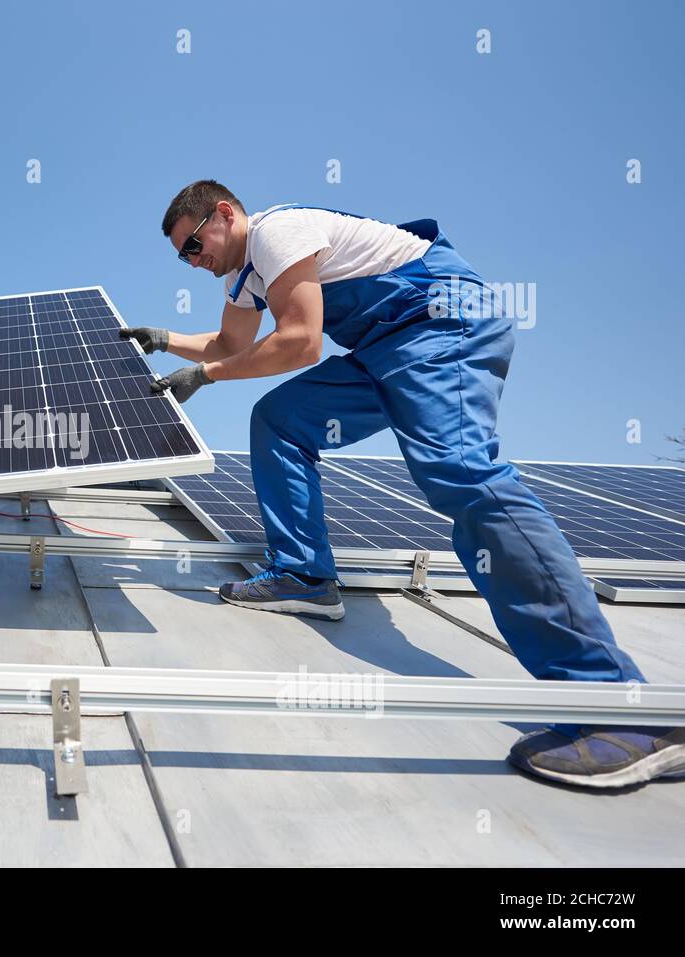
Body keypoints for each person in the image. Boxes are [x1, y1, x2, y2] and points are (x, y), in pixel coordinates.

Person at [122, 179, 684, 788]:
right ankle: (305, 576)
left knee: (460, 474)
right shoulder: (246, 278)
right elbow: (234, 343)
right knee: (281, 419)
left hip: (441, 322)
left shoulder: (277, 234)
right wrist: (164, 340)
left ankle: (622, 709)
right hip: (382, 347)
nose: (192, 261)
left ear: (224, 214)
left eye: (193, 245)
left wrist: (203, 376)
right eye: (183, 256)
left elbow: (301, 343)